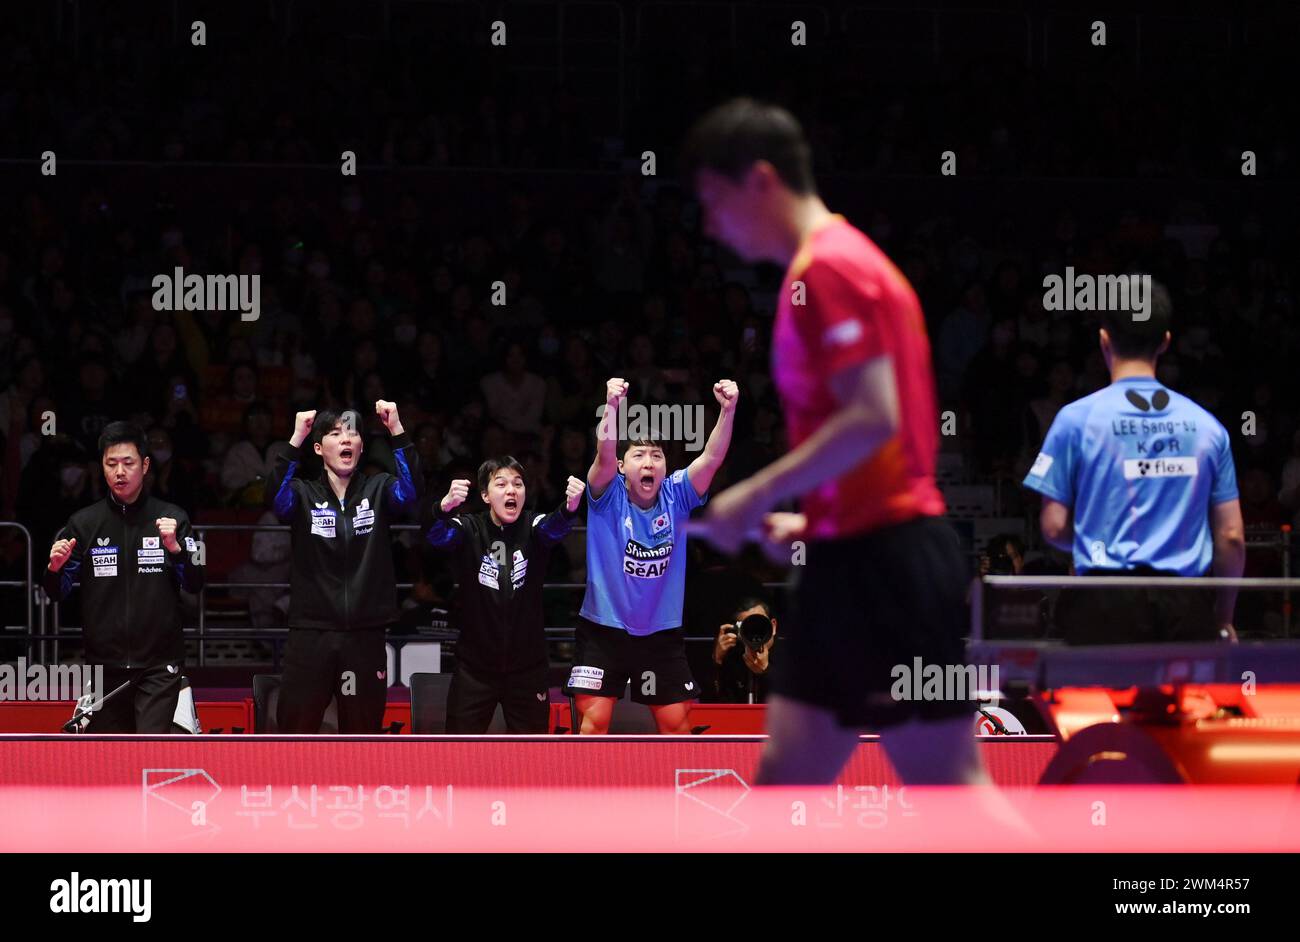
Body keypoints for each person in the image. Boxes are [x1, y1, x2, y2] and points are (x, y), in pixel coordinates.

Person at [681, 98, 986, 785]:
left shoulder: (830, 269)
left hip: (888, 565)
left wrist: (749, 496)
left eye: (713, 199)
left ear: (760, 180)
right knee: (789, 778)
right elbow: (878, 445)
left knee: (950, 790)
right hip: (853, 555)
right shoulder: (833, 265)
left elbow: (873, 417)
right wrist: (811, 519)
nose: (708, 222)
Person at [1022, 279, 1245, 644]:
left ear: (1104, 340)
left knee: (1091, 703)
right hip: (1187, 610)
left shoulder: (1075, 420)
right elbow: (1232, 538)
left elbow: (1052, 528)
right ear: (1165, 341)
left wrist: (1098, 542)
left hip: (1100, 608)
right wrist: (1222, 618)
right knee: (1185, 704)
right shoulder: (1209, 428)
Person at [564, 375, 738, 734]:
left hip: (661, 632)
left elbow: (712, 457)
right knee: (593, 724)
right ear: (624, 468)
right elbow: (604, 453)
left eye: (656, 456)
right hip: (603, 629)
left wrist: (728, 410)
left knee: (676, 727)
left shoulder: (678, 495)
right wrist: (611, 406)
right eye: (638, 455)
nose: (648, 462)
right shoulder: (606, 495)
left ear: (664, 467)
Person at [268, 401, 422, 733]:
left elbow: (410, 495)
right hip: (311, 633)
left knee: (362, 732)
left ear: (362, 447)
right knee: (296, 728)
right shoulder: (302, 494)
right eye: (336, 434)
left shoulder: (378, 488)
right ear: (320, 448)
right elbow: (276, 501)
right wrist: (295, 438)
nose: (346, 440)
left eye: (352, 433)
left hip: (365, 634)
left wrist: (396, 429)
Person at [43, 421, 205, 732]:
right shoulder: (83, 523)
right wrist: (53, 568)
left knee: (148, 754)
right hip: (104, 667)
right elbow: (56, 592)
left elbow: (195, 582)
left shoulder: (175, 518)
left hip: (159, 665)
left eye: (128, 463)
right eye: (111, 463)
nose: (120, 471)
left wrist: (175, 550)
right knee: (111, 763)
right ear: (101, 467)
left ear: (144, 466)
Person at [425, 458, 584, 732]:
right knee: (458, 754)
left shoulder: (534, 525)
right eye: (501, 484)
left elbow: (554, 528)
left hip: (528, 669)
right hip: (474, 669)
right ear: (485, 495)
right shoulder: (468, 528)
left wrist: (569, 509)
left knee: (531, 758)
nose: (511, 490)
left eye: (518, 484)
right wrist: (444, 507)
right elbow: (435, 536)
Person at [712, 596, 777, 704]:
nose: (755, 630)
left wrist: (766, 672)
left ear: (773, 626)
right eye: (748, 625)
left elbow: (793, 705)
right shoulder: (732, 656)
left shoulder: (790, 658)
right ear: (738, 629)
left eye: (760, 624)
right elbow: (714, 702)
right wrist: (717, 661)